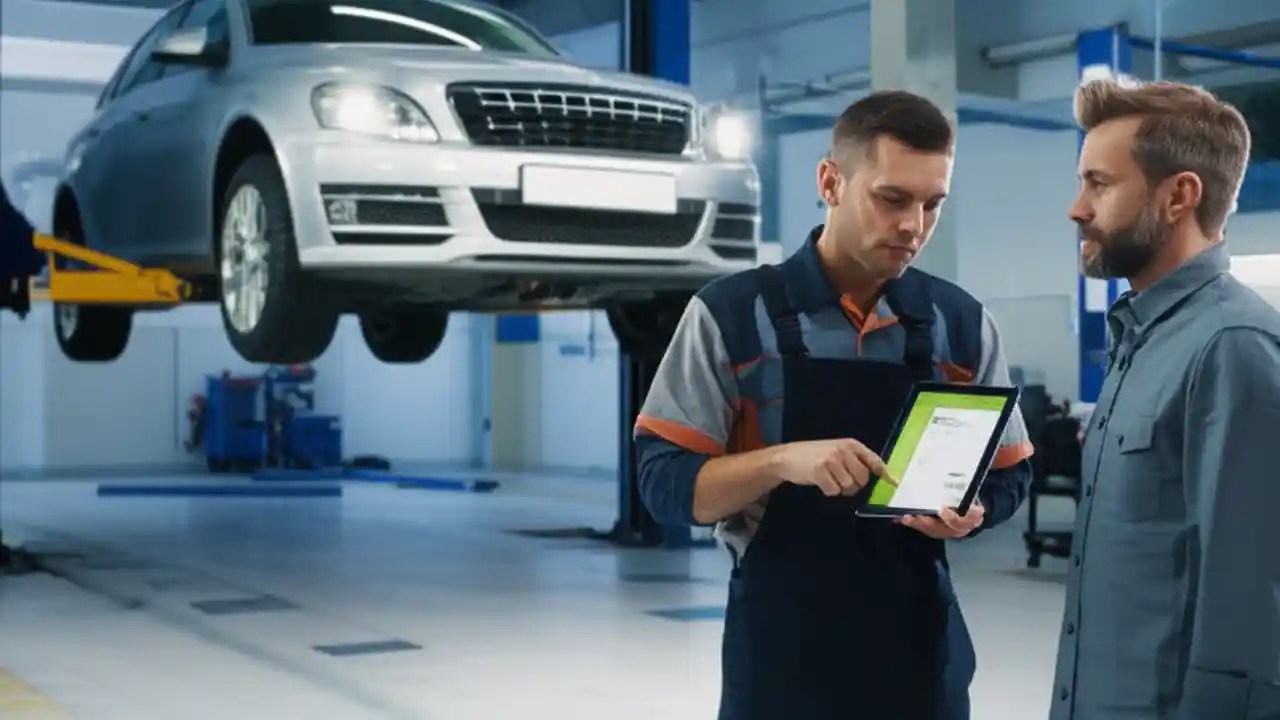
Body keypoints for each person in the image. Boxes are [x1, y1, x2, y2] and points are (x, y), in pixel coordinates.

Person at [634, 91, 1034, 720]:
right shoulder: (731, 316)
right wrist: (779, 462)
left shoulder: (961, 324)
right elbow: (663, 486)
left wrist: (974, 511)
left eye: (933, 205)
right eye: (892, 198)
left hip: (920, 651)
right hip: (781, 652)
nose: (914, 226)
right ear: (831, 181)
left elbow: (1012, 473)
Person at [1050, 77, 1280, 720]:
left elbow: (1253, 605)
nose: (1076, 207)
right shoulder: (1140, 339)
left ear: (1179, 195)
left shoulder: (1233, 347)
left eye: (1099, 183)